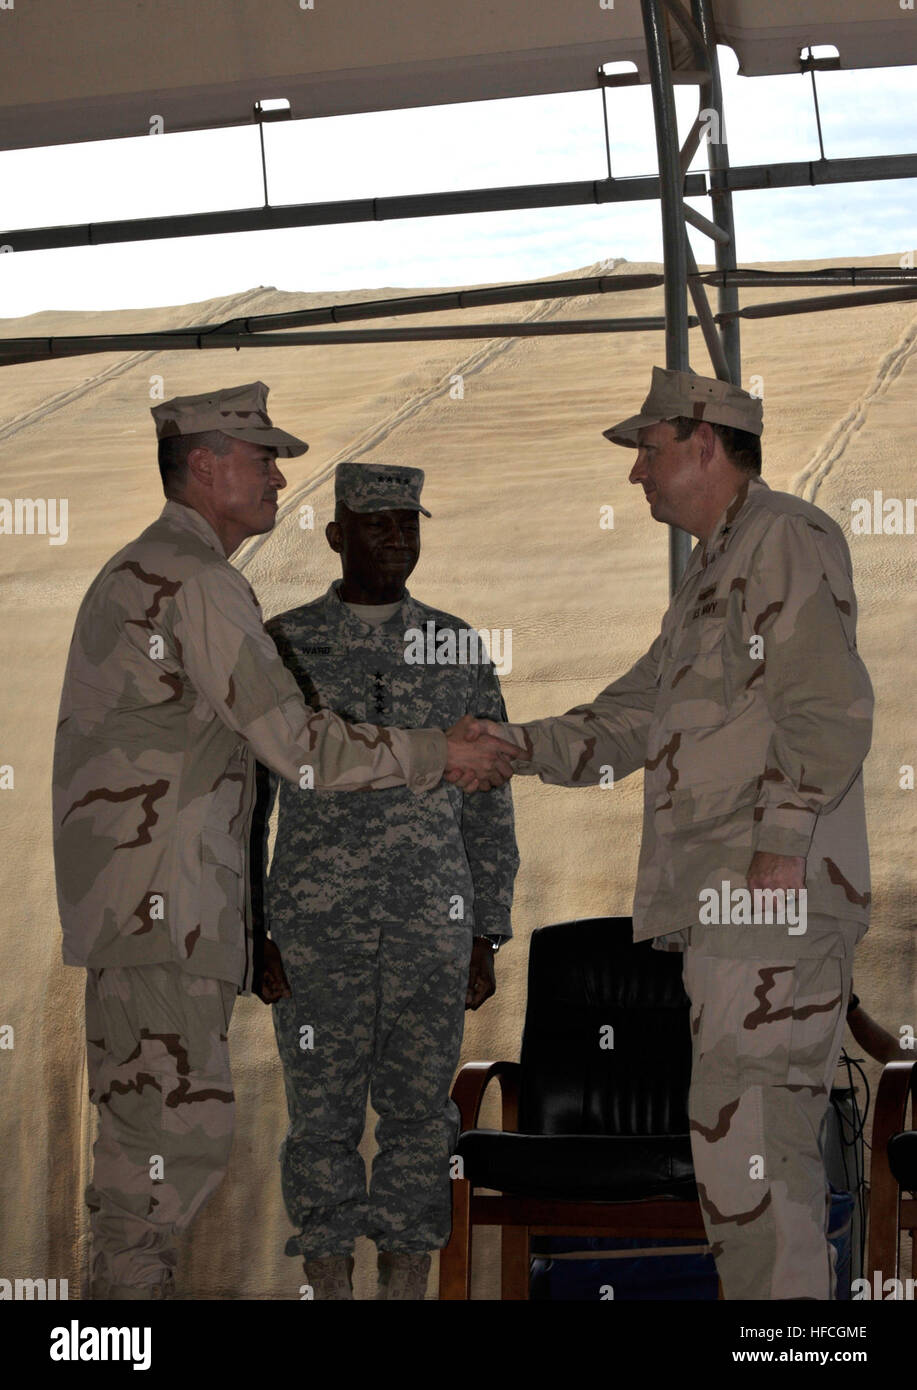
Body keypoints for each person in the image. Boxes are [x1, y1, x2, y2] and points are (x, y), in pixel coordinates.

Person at [51, 382, 519, 1301]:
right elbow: (294, 749)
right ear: (204, 465)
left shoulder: (162, 575)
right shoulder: (199, 584)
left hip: (167, 916)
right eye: (262, 457)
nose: (276, 475)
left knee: (153, 1166)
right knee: (164, 1162)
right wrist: (440, 750)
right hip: (175, 918)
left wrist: (482, 921)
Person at [474, 366, 874, 1300]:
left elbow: (826, 705)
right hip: (733, 910)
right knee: (743, 1167)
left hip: (770, 900)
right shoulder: (715, 571)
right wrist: (512, 746)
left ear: (702, 441)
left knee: (758, 1168)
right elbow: (631, 718)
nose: (635, 476)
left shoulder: (784, 537)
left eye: (646, 452)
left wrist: (779, 844)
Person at [251, 460, 519, 1300]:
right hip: (312, 930)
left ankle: (405, 1288)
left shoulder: (457, 644)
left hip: (428, 925)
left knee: (419, 1119)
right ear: (335, 535)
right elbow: (247, 801)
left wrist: (485, 929)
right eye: (376, 524)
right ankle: (330, 1287)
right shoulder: (285, 644)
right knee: (319, 1122)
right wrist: (250, 928)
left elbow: (489, 798)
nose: (396, 538)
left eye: (408, 523)